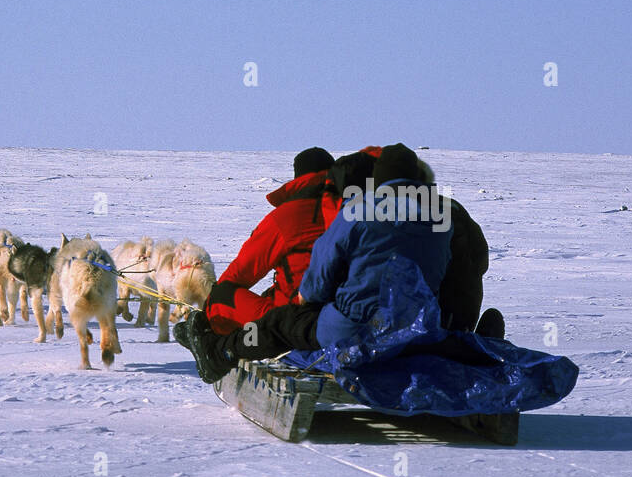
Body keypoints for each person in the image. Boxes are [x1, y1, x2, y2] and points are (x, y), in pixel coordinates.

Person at [178, 144, 502, 383]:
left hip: (348, 322)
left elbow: (315, 275)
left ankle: (220, 352)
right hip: (426, 321)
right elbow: (471, 264)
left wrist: (310, 300)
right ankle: (472, 343)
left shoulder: (352, 212)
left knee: (274, 322)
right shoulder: (444, 214)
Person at [202, 145, 381, 334]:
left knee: (221, 298)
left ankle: (222, 350)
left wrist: (208, 304)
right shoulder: (361, 211)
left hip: (296, 320)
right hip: (354, 312)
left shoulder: (287, 216)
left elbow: (240, 273)